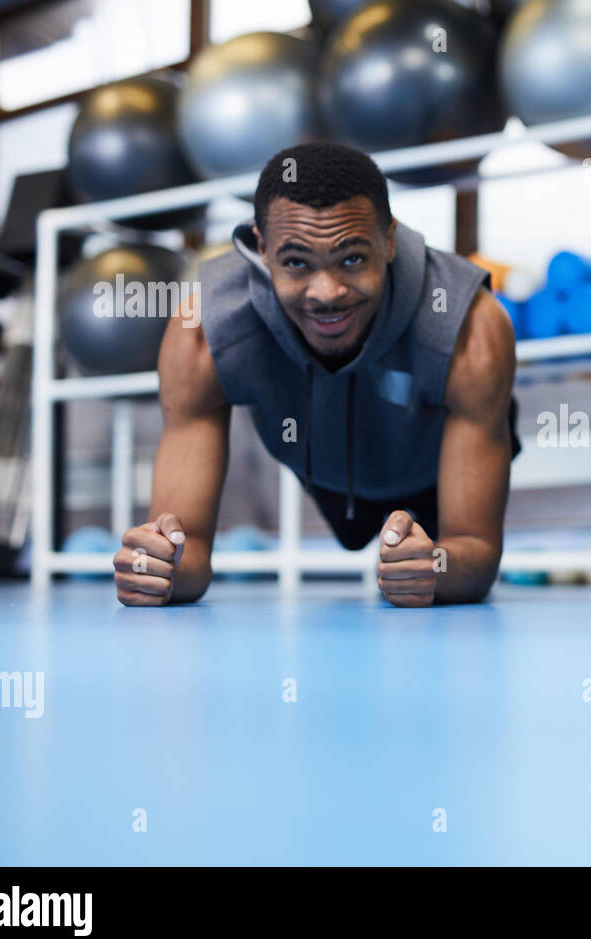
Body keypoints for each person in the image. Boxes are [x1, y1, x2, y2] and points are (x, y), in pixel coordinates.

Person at [113, 142, 518, 607]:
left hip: (430, 468)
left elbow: (476, 548)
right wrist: (160, 569)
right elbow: (189, 548)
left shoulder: (470, 328)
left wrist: (436, 569)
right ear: (262, 249)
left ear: (389, 240)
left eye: (351, 259)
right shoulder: (202, 333)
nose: (327, 293)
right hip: (324, 470)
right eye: (297, 263)